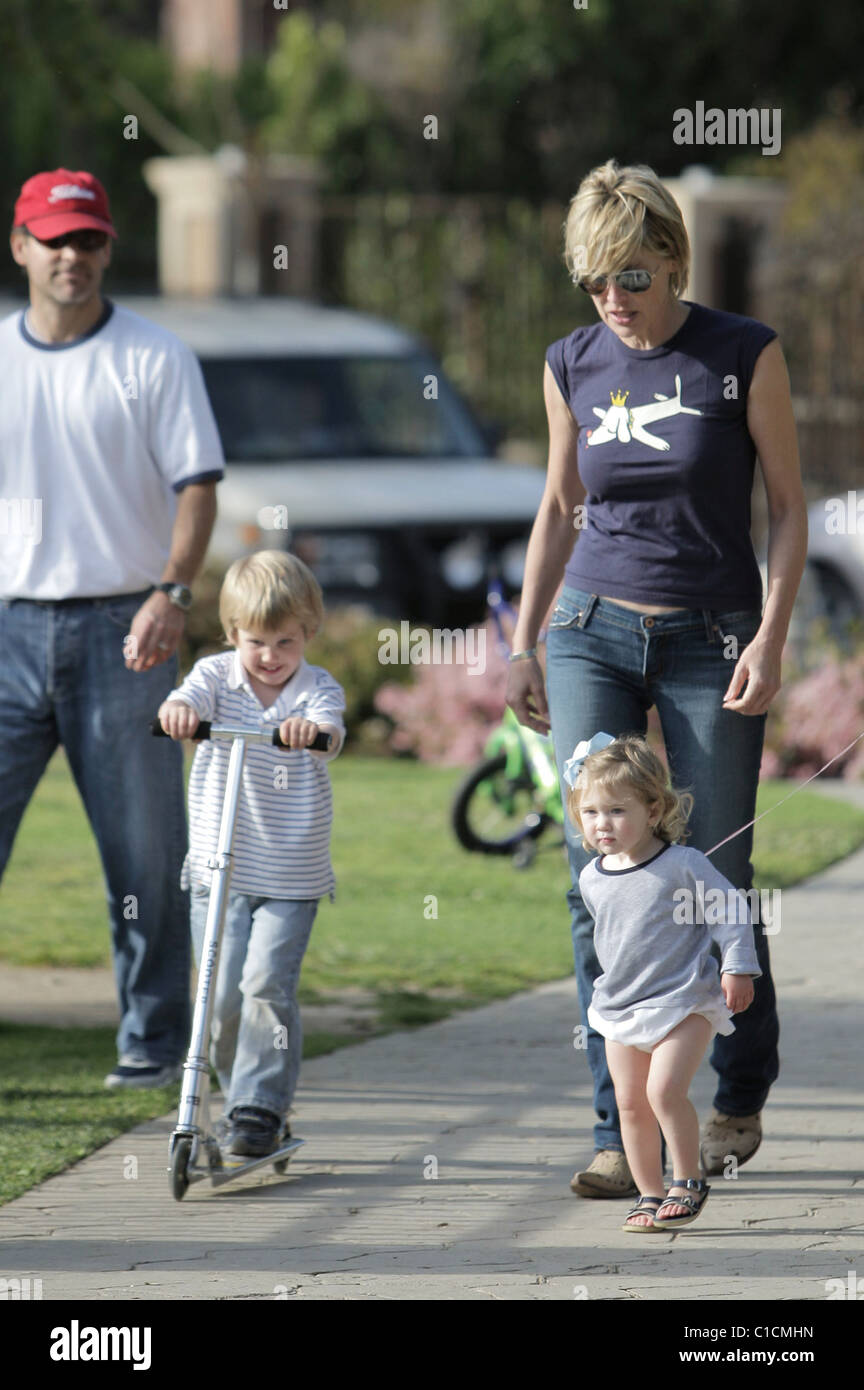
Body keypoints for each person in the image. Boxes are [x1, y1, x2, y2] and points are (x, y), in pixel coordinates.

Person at [506, 158, 807, 1197]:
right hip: (589, 626)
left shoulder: (742, 353)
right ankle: (616, 1124)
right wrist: (524, 639)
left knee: (716, 876)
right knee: (604, 877)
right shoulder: (572, 362)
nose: (614, 302)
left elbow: (789, 506)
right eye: (595, 283)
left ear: (673, 258)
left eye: (632, 277)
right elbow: (558, 506)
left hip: (712, 635)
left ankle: (737, 1089)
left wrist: (770, 635)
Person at [0, 169, 224, 1088]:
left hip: (123, 629)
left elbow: (198, 484)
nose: (71, 257)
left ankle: (154, 1038)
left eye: (87, 240)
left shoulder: (154, 355)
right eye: (54, 240)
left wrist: (173, 591)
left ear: (107, 249)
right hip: (9, 625)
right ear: (20, 246)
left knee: (144, 850)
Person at [157, 550, 345, 1158]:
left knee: (266, 983)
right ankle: (230, 1100)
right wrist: (179, 713)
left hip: (290, 874)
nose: (269, 657)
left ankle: (259, 1108)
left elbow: (330, 730)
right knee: (219, 992)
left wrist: (309, 734)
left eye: (285, 642)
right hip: (219, 869)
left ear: (307, 635)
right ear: (233, 634)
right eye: (256, 641)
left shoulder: (315, 689)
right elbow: (182, 701)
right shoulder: (215, 677)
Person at [565, 733, 760, 1230]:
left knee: (663, 1091)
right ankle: (649, 1194)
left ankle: (687, 1180)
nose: (601, 824)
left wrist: (737, 964)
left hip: (684, 1000)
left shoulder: (684, 865)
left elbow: (730, 910)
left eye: (616, 811)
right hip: (620, 1008)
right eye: (590, 813)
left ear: (653, 811)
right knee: (629, 1103)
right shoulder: (592, 876)